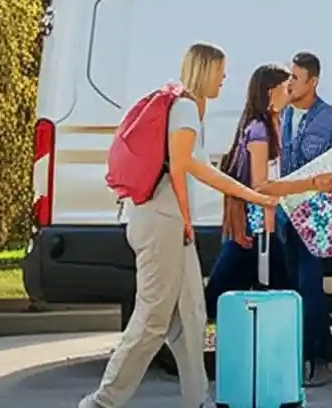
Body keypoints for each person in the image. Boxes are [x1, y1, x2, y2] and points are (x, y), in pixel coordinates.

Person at [80, 42, 281, 408]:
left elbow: (202, 170)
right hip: (163, 223)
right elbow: (180, 168)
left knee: (192, 314)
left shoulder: (186, 108)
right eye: (220, 71)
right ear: (205, 71)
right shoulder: (186, 108)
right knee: (153, 319)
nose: (224, 79)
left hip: (166, 221)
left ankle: (197, 400)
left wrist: (257, 197)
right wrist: (188, 220)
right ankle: (100, 403)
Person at [204, 63, 332, 319]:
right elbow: (261, 185)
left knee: (278, 290)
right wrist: (311, 183)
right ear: (270, 92)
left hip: (265, 227)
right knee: (219, 294)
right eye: (285, 89)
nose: (290, 94)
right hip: (253, 228)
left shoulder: (272, 126)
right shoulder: (259, 131)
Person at [278, 51, 332, 386]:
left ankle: (319, 356)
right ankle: (296, 353)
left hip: (316, 218)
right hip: (282, 218)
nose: (289, 83)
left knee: (310, 286)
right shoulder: (279, 116)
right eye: (288, 77)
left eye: (296, 77)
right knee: (287, 287)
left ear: (313, 81)